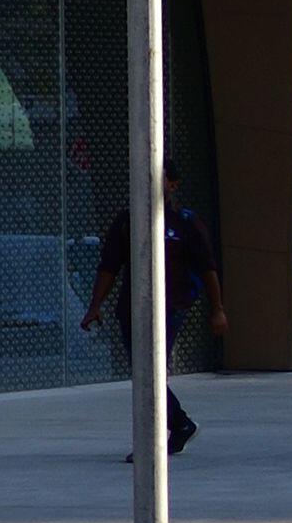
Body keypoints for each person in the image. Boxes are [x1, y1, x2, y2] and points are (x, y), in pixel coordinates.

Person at [88, 189, 220, 456]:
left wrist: (217, 309)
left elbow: (208, 268)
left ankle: (152, 442)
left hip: (171, 307)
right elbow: (109, 266)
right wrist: (95, 305)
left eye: (163, 179)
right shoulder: (128, 222)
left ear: (173, 184)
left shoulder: (184, 222)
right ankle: (179, 423)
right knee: (143, 372)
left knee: (150, 371)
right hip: (132, 309)